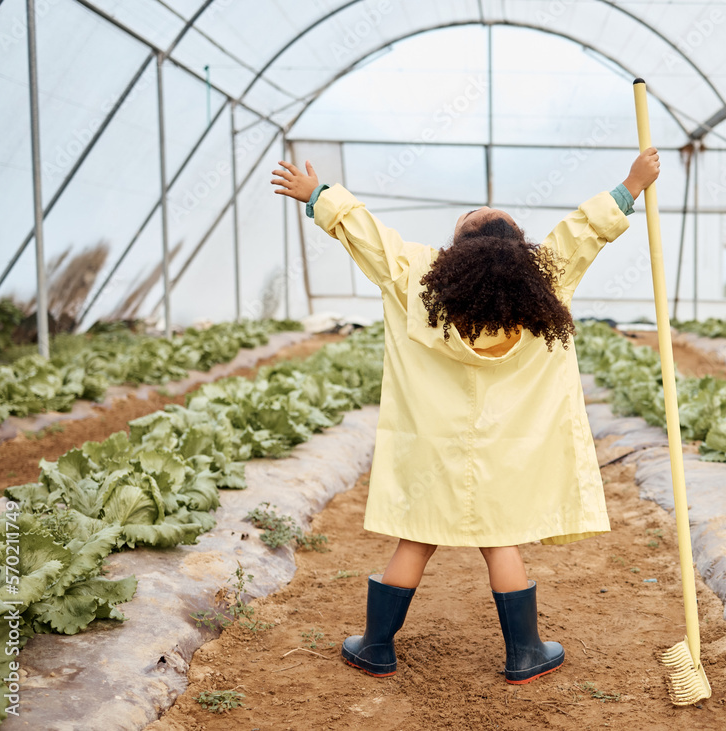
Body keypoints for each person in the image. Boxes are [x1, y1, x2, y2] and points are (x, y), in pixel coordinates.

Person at [270, 148, 661, 684]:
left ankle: (376, 646)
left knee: (416, 535)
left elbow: (365, 233)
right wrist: (632, 186)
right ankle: (525, 653)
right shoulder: (545, 280)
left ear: (454, 250)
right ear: (519, 249)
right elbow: (584, 232)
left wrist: (317, 195)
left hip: (432, 447)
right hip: (505, 451)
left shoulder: (415, 277)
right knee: (499, 536)